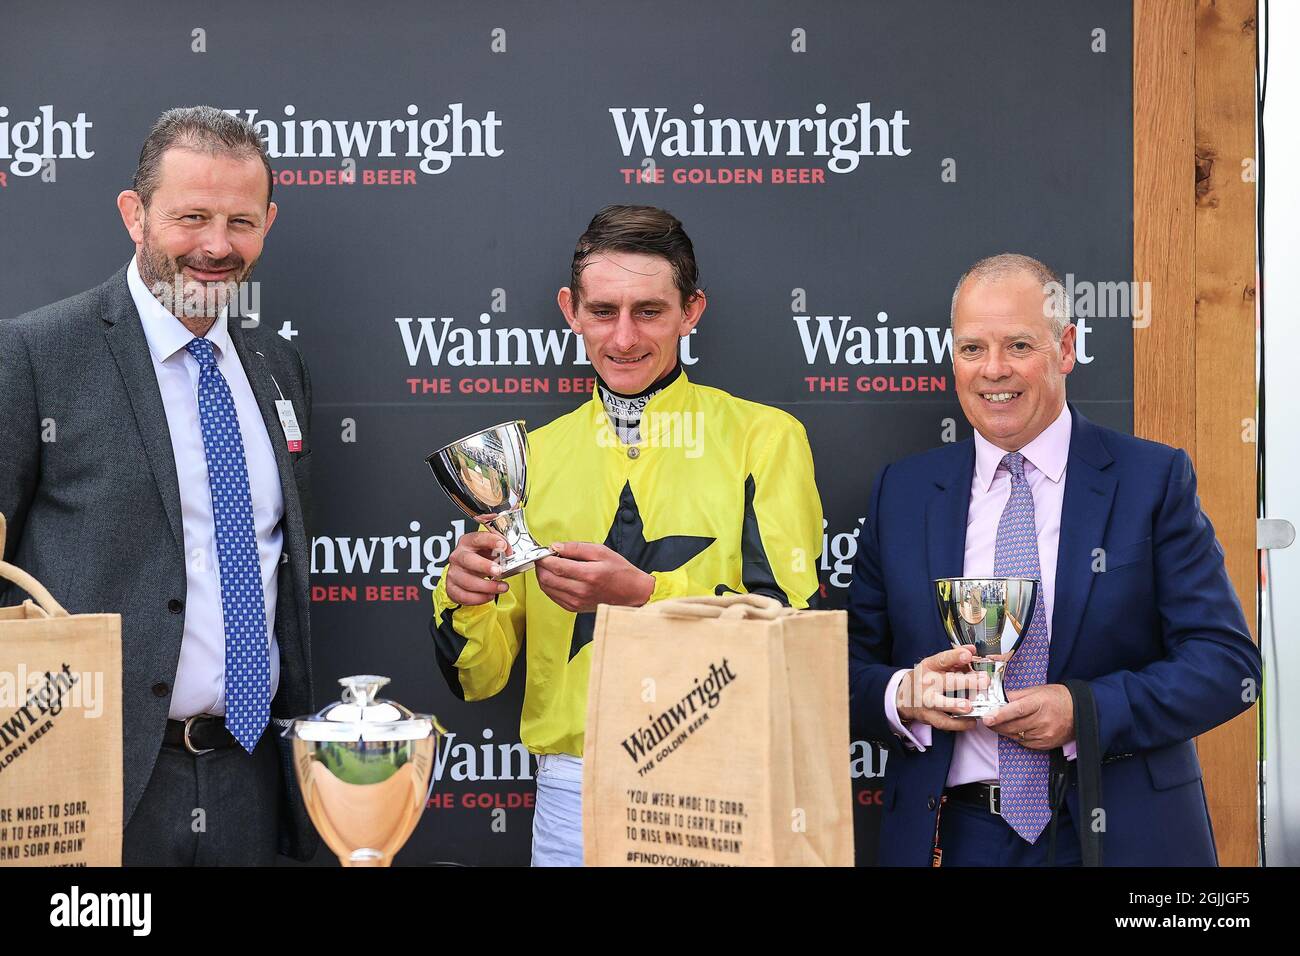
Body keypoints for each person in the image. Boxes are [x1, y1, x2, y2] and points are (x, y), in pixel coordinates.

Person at [432, 205, 823, 866]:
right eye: (603, 310)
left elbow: (790, 645)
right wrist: (466, 599)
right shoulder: (528, 459)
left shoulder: (765, 438)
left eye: (649, 311)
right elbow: (479, 681)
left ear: (691, 310)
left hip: (717, 789)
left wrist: (646, 598)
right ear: (570, 309)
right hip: (570, 800)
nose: (621, 337)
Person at [847, 253, 1261, 866]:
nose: (993, 371)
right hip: (955, 839)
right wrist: (905, 694)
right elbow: (842, 668)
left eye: (1018, 345)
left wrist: (1084, 711)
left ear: (1065, 348)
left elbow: (1226, 666)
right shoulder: (902, 495)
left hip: (1122, 833)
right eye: (971, 349)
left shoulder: (1151, 480)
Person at [0, 106, 316, 865]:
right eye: (191, 217)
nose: (216, 246)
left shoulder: (278, 365)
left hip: (249, 777)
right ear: (133, 214)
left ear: (269, 221)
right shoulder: (36, 355)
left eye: (241, 221)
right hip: (88, 778)